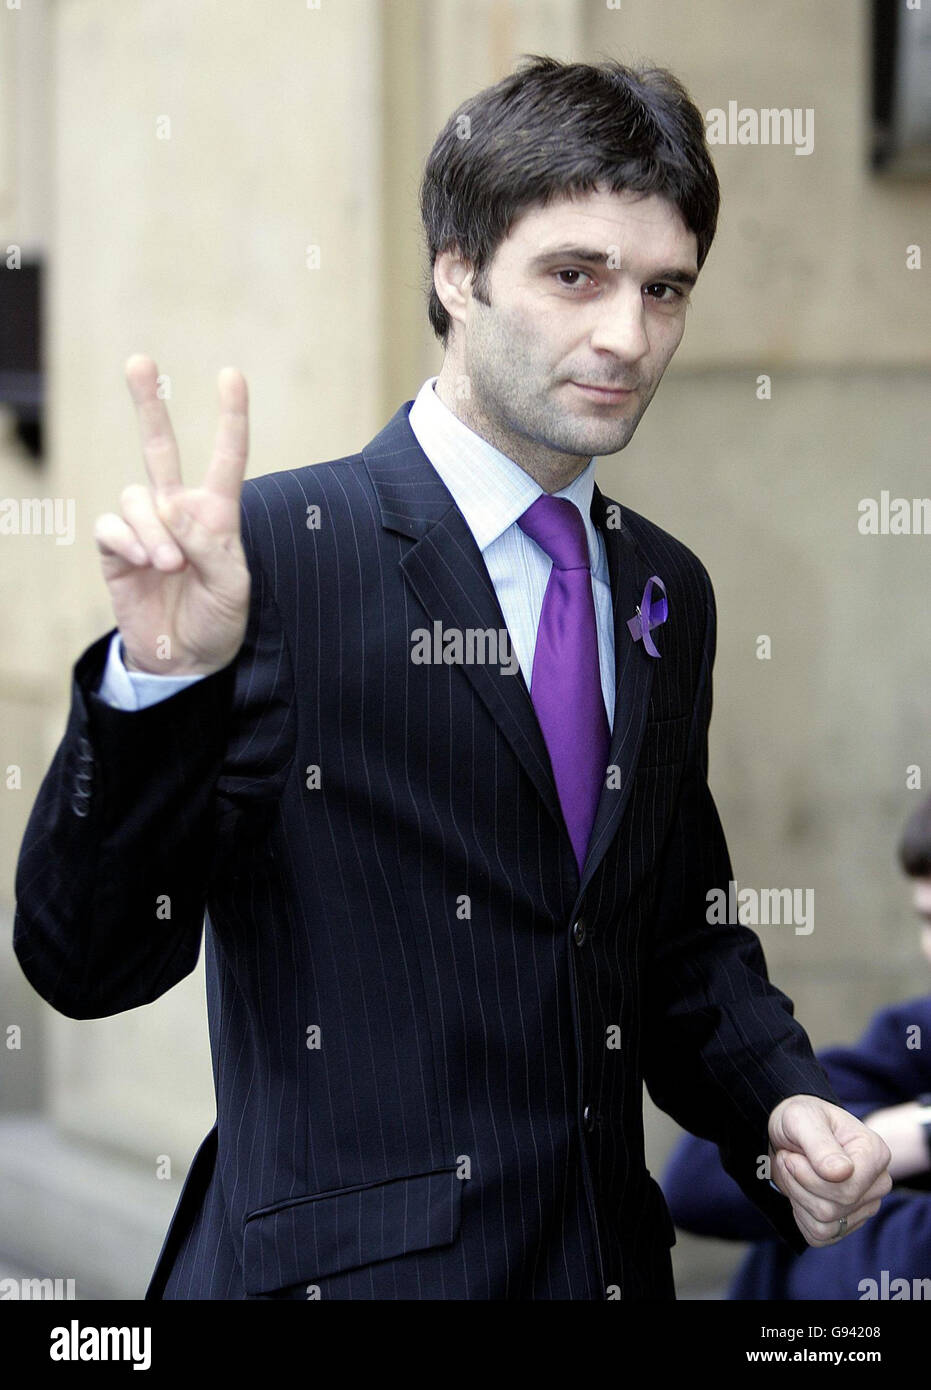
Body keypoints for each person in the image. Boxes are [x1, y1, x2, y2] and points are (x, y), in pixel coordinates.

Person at [13, 55, 890, 1301]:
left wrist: (785, 1105)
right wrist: (161, 683)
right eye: (574, 274)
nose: (625, 335)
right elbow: (85, 960)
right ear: (456, 270)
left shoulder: (669, 591)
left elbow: (673, 939)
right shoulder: (274, 558)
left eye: (664, 288)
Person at [662, 797, 931, 1299]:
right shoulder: (918, 1033)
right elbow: (696, 1179)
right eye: (925, 920)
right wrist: (916, 1131)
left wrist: (834, 1213)